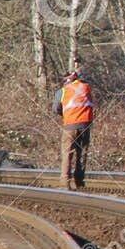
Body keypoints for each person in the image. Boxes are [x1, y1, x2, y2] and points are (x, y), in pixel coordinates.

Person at [52, 62, 93, 190]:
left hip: (70, 125)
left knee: (67, 153)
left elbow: (55, 109)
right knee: (82, 152)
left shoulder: (63, 91)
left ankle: (65, 183)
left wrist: (64, 114)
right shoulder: (86, 88)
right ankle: (79, 182)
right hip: (85, 124)